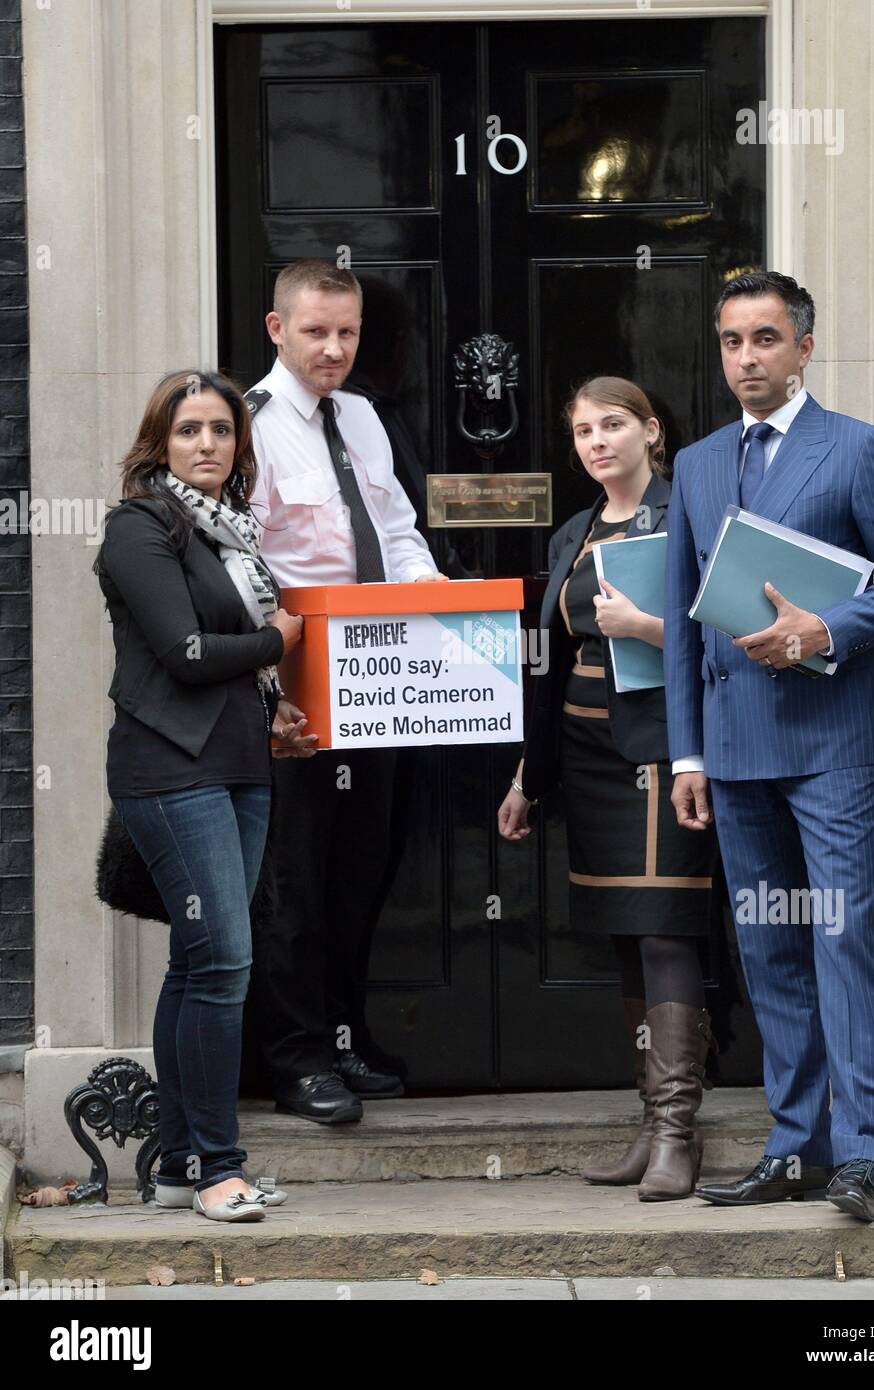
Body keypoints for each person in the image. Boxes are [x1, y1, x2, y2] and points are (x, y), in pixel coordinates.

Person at [664, 271, 874, 1223]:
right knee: (769, 948)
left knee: (836, 938)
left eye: (766, 340)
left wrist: (823, 630)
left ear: (803, 348)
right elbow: (676, 612)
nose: (748, 358)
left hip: (832, 739)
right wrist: (685, 756)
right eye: (733, 341)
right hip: (733, 746)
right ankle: (797, 1150)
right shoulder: (699, 464)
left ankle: (864, 1155)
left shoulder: (859, 449)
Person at [95, 369, 310, 1222]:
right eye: (189, 430)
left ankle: (180, 1162)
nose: (208, 444)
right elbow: (185, 653)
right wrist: (275, 640)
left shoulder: (234, 536)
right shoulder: (138, 528)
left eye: (221, 430)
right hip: (166, 767)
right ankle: (221, 1169)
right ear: (161, 442)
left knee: (196, 962)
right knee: (223, 961)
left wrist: (277, 699)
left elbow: (230, 663)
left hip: (240, 760)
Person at [498, 377, 720, 1202]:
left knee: (665, 929)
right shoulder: (572, 534)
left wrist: (646, 628)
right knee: (627, 932)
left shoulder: (689, 517)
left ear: (650, 431)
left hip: (662, 750)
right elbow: (548, 665)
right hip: (585, 750)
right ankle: (647, 1123)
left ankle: (676, 1134)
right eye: (584, 429)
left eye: (614, 424)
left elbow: (728, 628)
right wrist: (529, 774)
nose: (597, 441)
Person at [246, 259, 448, 1125]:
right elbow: (241, 562)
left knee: (362, 868)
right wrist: (264, 680)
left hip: (380, 673)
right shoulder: (247, 425)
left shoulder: (363, 417)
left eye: (348, 333)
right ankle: (291, 1060)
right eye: (316, 331)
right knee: (292, 875)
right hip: (292, 683)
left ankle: (340, 1036)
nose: (334, 349)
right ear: (276, 328)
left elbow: (397, 530)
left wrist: (436, 604)